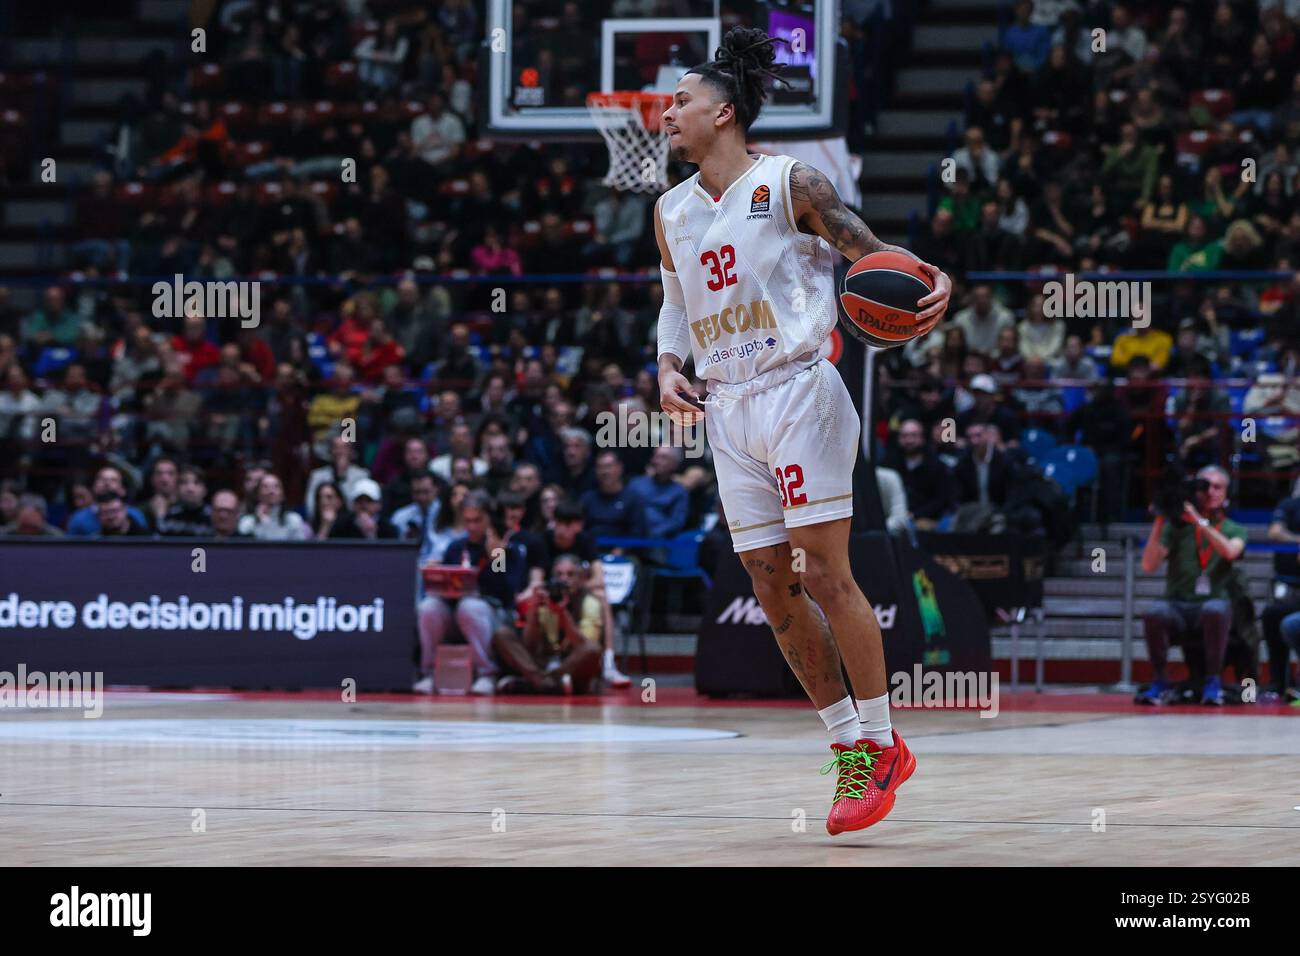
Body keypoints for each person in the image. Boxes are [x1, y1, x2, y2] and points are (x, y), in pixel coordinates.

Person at [655, 26, 950, 835]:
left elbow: (874, 254)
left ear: (723, 113)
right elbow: (676, 301)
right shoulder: (670, 210)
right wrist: (666, 363)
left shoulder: (791, 184)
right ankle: (850, 745)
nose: (667, 112)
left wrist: (931, 276)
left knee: (823, 572)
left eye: (681, 100)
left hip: (799, 389)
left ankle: (884, 743)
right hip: (726, 406)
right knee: (770, 586)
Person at [1138, 466, 1247, 706]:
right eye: (1205, 486)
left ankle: (1213, 681)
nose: (1211, 492)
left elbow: (1230, 551)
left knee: (1215, 610)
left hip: (1213, 605)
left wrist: (1199, 521)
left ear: (1226, 493)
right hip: (1177, 605)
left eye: (1218, 487)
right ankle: (1160, 681)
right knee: (1154, 613)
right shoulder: (1175, 528)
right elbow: (1148, 566)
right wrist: (1159, 520)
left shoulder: (1235, 529)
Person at [493, 555, 604, 695]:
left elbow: (583, 645)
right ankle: (546, 684)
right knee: (502, 634)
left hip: (571, 666)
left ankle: (533, 684)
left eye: (570, 574)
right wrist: (533, 610)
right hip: (543, 663)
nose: (564, 579)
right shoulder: (544, 599)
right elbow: (530, 645)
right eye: (559, 574)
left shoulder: (590, 603)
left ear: (581, 579)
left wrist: (562, 613)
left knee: (593, 649)